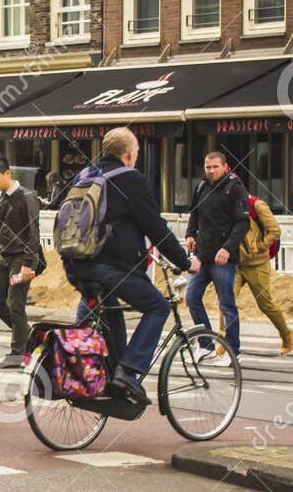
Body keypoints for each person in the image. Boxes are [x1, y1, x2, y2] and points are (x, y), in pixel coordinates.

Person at [63, 127, 196, 403]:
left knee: (110, 317)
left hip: (76, 266)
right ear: (129, 153)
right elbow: (155, 227)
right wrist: (184, 262)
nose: (136, 155)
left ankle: (114, 382)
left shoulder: (84, 176)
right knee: (158, 307)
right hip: (111, 267)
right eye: (135, 151)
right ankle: (128, 372)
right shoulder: (130, 178)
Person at [184, 150, 251, 367]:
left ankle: (233, 351)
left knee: (226, 304)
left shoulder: (235, 188)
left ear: (225, 167)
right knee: (191, 296)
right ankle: (205, 344)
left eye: (215, 167)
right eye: (207, 167)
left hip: (223, 258)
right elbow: (194, 214)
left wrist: (227, 249)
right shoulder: (201, 186)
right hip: (202, 255)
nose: (211, 171)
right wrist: (190, 234)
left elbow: (243, 223)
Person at [0, 156, 42, 369]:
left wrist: (28, 265)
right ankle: (29, 336)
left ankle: (17, 354)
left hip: (22, 257)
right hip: (2, 257)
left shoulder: (27, 198)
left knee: (15, 304)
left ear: (7, 173)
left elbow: (33, 234)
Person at [228, 192, 292, 355]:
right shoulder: (224, 205)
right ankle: (226, 341)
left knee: (265, 304)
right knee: (227, 301)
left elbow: (274, 230)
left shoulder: (256, 205)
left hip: (257, 264)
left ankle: (286, 334)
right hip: (235, 262)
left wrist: (260, 246)